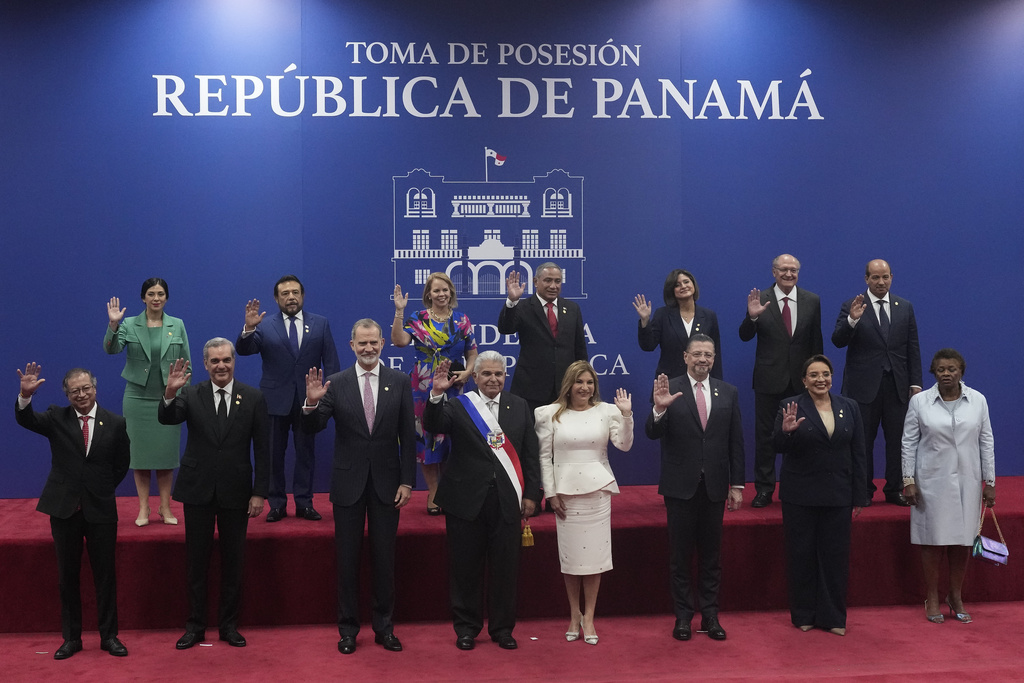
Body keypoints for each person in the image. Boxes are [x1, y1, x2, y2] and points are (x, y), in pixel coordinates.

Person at [302, 319, 417, 655]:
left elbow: (408, 438)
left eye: (373, 343)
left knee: (385, 560)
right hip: (347, 485)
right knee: (348, 561)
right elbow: (313, 426)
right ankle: (348, 630)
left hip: (388, 484)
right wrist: (310, 403)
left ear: (383, 343)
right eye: (361, 344)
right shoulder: (335, 383)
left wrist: (408, 480)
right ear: (351, 345)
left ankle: (384, 628)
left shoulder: (398, 382)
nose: (368, 349)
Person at [422, 351, 541, 651]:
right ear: (475, 378)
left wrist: (531, 495)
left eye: (498, 374)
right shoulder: (460, 406)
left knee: (505, 568)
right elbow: (434, 424)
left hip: (507, 500)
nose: (493, 379)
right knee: (465, 569)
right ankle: (467, 628)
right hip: (465, 501)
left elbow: (529, 454)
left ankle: (502, 629)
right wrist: (436, 394)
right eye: (486, 374)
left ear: (505, 376)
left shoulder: (520, 406)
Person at [158, 339, 270, 650]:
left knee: (233, 563)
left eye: (226, 360)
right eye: (214, 361)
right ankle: (194, 626)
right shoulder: (190, 393)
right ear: (205, 365)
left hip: (237, 492)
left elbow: (263, 450)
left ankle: (229, 626)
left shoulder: (253, 397)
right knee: (196, 563)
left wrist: (259, 493)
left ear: (234, 362)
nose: (221, 366)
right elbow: (168, 418)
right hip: (198, 490)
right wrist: (169, 392)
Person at [15, 364, 131, 659]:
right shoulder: (56, 417)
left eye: (86, 389)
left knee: (105, 576)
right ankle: (72, 638)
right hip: (64, 508)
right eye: (74, 391)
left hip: (101, 509)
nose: (81, 394)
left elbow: (121, 464)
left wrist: (99, 489)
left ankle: (109, 636)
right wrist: (25, 396)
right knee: (67, 576)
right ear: (66, 394)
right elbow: (26, 419)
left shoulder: (115, 423)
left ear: (95, 389)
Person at [645, 335, 745, 642]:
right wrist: (659, 410)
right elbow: (652, 433)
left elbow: (735, 442)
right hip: (680, 487)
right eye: (697, 354)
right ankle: (684, 617)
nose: (703, 359)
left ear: (714, 359)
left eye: (709, 355)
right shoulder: (669, 388)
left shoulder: (728, 391)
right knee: (680, 557)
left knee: (711, 557)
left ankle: (711, 616)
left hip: (714, 487)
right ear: (686, 356)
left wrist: (737, 485)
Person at [534, 360, 633, 646]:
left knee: (594, 560)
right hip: (565, 495)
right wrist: (550, 493)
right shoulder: (549, 414)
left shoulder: (608, 411)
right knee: (572, 559)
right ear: (569, 384)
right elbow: (544, 457)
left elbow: (624, 445)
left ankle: (589, 616)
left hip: (597, 491)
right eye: (580, 382)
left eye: (589, 383)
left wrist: (626, 416)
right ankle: (573, 615)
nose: (585, 388)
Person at [773, 355, 867, 636]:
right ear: (804, 380)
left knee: (835, 557)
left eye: (825, 374)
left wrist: (859, 496)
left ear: (832, 377)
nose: (820, 379)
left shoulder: (849, 407)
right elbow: (776, 445)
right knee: (801, 555)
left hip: (838, 495)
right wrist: (786, 433)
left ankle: (833, 617)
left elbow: (858, 453)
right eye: (813, 375)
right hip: (800, 496)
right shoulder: (790, 406)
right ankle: (803, 614)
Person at [901, 349, 995, 624]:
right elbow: (908, 442)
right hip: (931, 481)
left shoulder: (978, 400)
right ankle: (932, 597)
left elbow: (986, 442)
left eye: (951, 369)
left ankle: (955, 596)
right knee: (932, 541)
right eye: (941, 369)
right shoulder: (920, 402)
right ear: (934, 372)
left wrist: (989, 482)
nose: (946, 373)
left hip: (968, 480)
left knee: (962, 542)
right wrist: (909, 480)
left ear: (961, 372)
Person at [236, 275, 340, 523]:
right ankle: (277, 504)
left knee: (306, 453)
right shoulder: (264, 324)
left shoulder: (320, 323)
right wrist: (249, 329)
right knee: (273, 454)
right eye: (285, 293)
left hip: (309, 400)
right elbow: (244, 350)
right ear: (276, 298)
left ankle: (304, 503)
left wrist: (330, 397)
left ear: (302, 296)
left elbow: (332, 362)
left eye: (295, 292)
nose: (291, 297)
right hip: (273, 400)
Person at [832, 259, 922, 506]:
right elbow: (838, 341)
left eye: (885, 277)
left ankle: (895, 489)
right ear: (866, 279)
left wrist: (915, 382)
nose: (881, 282)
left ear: (892, 277)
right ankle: (863, 490)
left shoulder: (904, 307)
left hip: (897, 386)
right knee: (862, 442)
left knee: (898, 441)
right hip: (862, 387)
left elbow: (912, 347)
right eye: (875, 277)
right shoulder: (852, 305)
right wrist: (851, 320)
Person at [103, 277, 190, 527]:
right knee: (138, 456)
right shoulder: (129, 324)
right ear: (143, 298)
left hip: (168, 399)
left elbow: (187, 364)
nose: (156, 298)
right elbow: (111, 349)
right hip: (137, 398)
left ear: (166, 297)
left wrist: (186, 398)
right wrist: (113, 324)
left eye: (160, 293)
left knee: (165, 455)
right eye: (151, 293)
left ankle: (165, 506)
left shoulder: (178, 324)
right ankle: (144, 507)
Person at [740, 254, 823, 507]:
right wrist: (752, 317)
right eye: (784, 270)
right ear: (774, 272)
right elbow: (744, 336)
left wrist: (816, 375)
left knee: (799, 435)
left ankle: (794, 486)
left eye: (794, 270)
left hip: (801, 381)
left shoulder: (812, 300)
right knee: (766, 436)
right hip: (768, 379)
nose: (789, 274)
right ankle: (764, 489)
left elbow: (815, 341)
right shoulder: (759, 299)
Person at [391, 273, 478, 515]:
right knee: (426, 437)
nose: (441, 294)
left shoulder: (462, 320)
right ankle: (434, 492)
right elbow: (399, 341)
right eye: (436, 290)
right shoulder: (417, 318)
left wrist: (469, 372)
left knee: (454, 437)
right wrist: (399, 312)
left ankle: (451, 490)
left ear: (451, 292)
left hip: (454, 384)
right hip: (423, 385)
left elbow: (472, 352)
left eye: (446, 290)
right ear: (428, 294)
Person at [497, 263, 588, 412]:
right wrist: (512, 301)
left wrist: (581, 382)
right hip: (531, 389)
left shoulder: (572, 309)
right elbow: (505, 329)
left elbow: (580, 349)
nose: (553, 286)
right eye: (548, 280)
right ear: (535, 282)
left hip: (565, 388)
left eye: (557, 281)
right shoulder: (522, 307)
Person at [633, 269, 723, 383]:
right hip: (669, 382)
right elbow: (648, 346)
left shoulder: (709, 316)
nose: (683, 286)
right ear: (671, 291)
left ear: (693, 284)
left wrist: (717, 384)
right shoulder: (662, 314)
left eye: (686, 282)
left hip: (701, 380)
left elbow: (716, 353)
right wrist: (645, 321)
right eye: (677, 285)